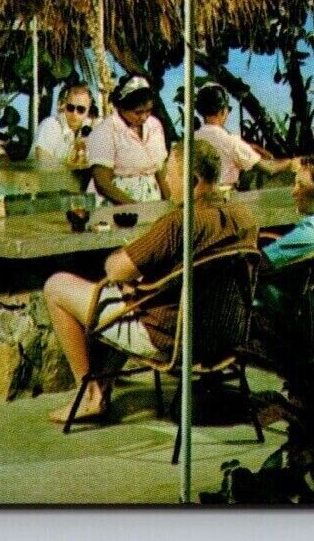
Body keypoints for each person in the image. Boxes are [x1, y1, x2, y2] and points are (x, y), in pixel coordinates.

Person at [43, 138, 258, 423]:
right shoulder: (244, 216)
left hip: (170, 338)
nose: (166, 180)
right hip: (226, 337)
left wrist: (128, 252)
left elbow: (116, 270)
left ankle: (90, 395)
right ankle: (101, 390)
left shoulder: (179, 223)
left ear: (193, 181)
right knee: (125, 295)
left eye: (170, 173)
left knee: (56, 286)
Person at [86, 75, 171, 204]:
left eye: (148, 111)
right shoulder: (106, 131)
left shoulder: (154, 125)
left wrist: (168, 200)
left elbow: (159, 167)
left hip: (151, 199)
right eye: (138, 112)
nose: (144, 117)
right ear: (121, 107)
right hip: (118, 202)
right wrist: (132, 206)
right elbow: (102, 182)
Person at [193, 84, 292, 188]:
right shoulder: (231, 142)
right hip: (223, 198)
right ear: (223, 111)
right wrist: (292, 162)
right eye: (229, 109)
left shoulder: (190, 140)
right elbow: (270, 169)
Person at [34, 82, 94, 171]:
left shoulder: (91, 128)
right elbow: (44, 163)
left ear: (88, 109)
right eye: (70, 107)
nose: (74, 113)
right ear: (65, 105)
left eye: (81, 109)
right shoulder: (50, 125)